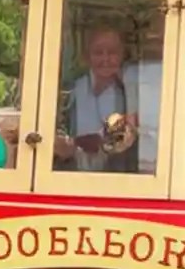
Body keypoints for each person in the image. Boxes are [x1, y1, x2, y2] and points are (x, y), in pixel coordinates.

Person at [53, 28, 146, 173]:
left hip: (117, 177)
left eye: (112, 52)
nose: (105, 59)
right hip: (69, 174)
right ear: (87, 56)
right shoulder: (71, 89)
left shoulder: (130, 93)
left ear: (122, 55)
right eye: (98, 52)